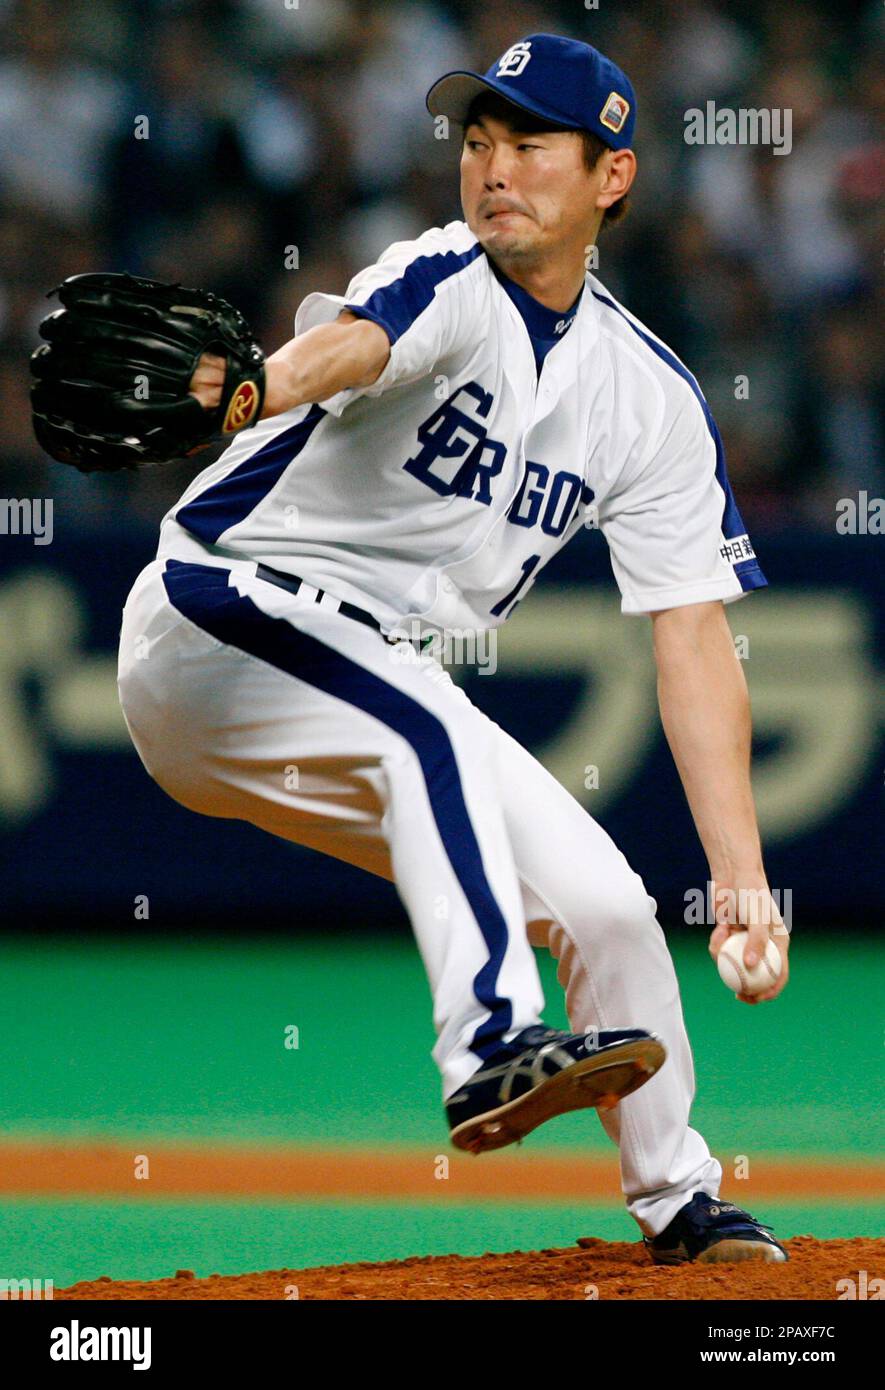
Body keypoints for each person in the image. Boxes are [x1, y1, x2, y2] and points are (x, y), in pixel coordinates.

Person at [117, 33, 789, 1264]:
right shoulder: (445, 277)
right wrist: (251, 389)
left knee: (608, 909)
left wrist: (742, 881)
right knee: (422, 728)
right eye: (478, 140)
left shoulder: (649, 400)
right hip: (217, 616)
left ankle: (679, 1199)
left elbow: (693, 635)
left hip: (365, 677)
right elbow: (361, 343)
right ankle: (489, 1046)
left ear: (613, 176)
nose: (493, 167)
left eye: (530, 142)